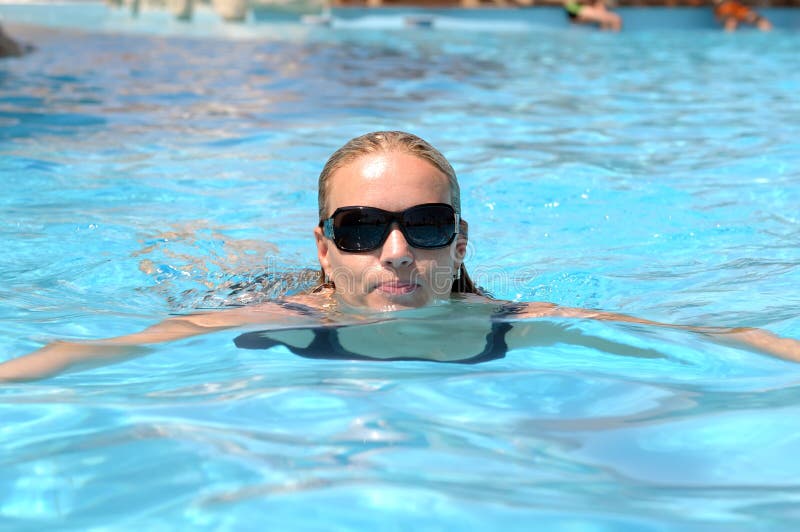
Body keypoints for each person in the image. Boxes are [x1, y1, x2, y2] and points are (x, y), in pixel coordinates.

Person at [1, 131, 798, 381]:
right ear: (323, 247)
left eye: (423, 225)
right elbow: (102, 350)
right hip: (280, 294)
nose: (394, 253)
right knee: (189, 273)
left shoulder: (513, 321)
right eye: (358, 228)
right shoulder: (276, 313)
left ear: (459, 240)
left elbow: (707, 341)